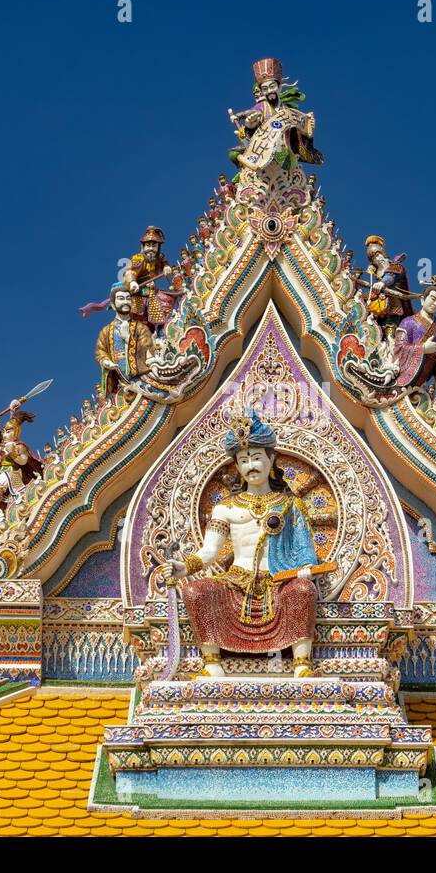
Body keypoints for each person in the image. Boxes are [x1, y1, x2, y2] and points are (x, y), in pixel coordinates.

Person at [169, 411, 319, 678]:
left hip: (279, 581)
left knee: (303, 590)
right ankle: (212, 662)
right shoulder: (225, 508)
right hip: (236, 581)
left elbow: (303, 547)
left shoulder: (290, 505)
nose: (251, 466)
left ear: (271, 459)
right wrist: (186, 566)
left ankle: (302, 664)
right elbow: (210, 552)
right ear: (237, 467)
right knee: (196, 592)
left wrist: (306, 567)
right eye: (244, 460)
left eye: (257, 458)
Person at [393, 275, 436, 404]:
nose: (435, 304)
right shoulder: (409, 322)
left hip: (420, 386)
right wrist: (423, 349)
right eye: (433, 299)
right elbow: (399, 347)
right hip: (403, 377)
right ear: (423, 300)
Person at [94, 284, 155, 399]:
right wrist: (106, 361)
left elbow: (148, 348)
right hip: (120, 381)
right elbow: (100, 351)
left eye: (128, 298)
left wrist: (128, 338)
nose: (125, 302)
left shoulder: (140, 327)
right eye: (121, 299)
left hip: (141, 378)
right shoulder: (106, 331)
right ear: (113, 304)